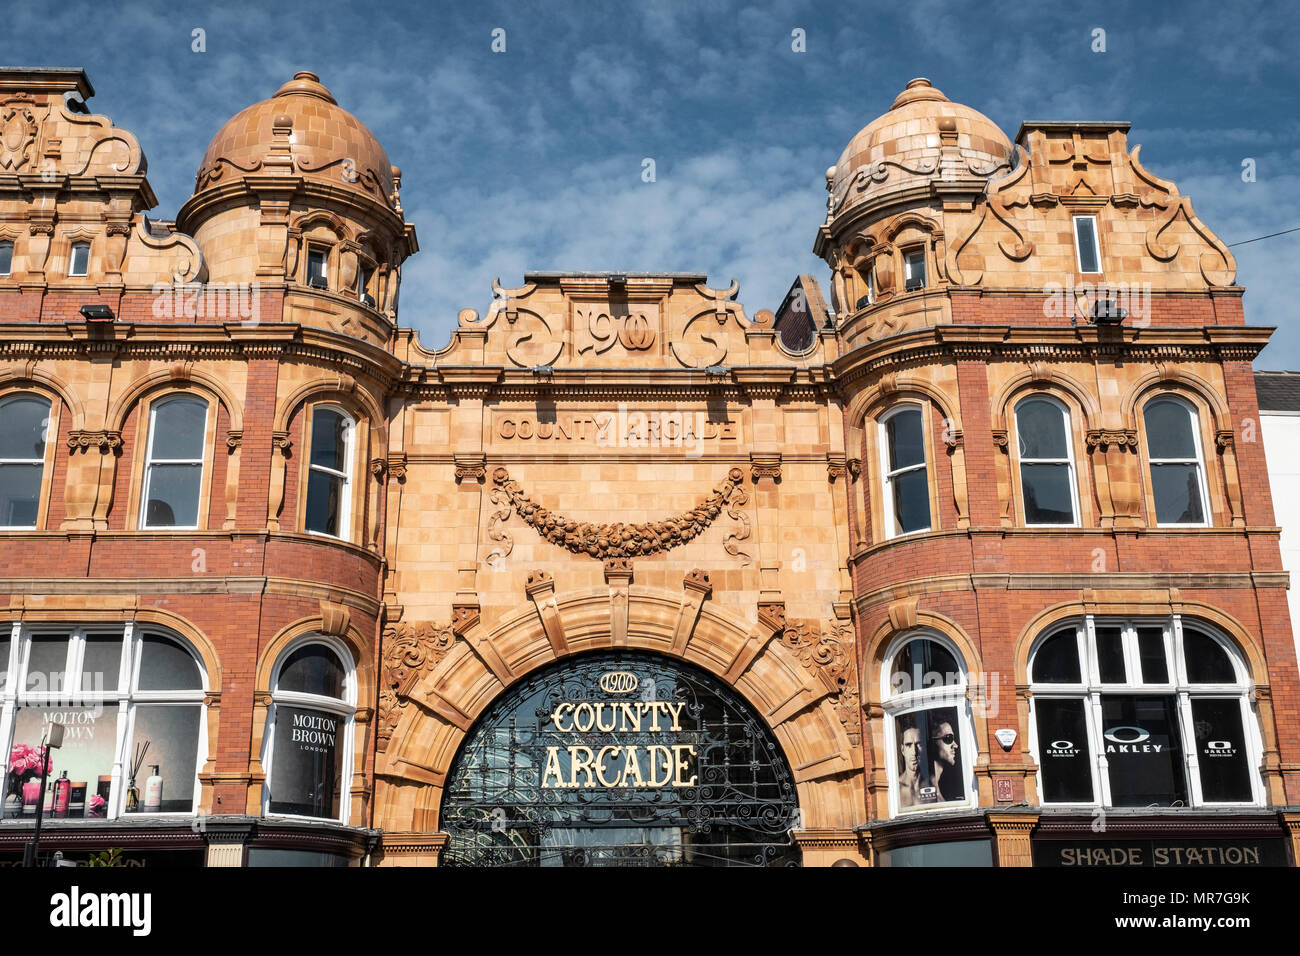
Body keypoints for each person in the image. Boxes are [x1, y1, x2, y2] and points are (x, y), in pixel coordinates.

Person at [897, 718, 932, 808]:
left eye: (918, 744)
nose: (914, 752)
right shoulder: (896, 788)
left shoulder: (933, 783)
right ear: (902, 750)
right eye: (909, 745)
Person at [930, 717, 963, 802]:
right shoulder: (922, 788)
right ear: (933, 742)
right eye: (948, 738)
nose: (955, 745)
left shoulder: (946, 787)